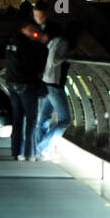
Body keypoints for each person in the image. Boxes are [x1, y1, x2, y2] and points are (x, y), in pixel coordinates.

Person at [4, 20, 47, 160]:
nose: (33, 32)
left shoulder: (11, 42)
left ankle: (16, 151)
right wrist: (40, 42)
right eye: (31, 29)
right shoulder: (28, 45)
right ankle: (30, 152)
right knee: (31, 118)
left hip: (11, 84)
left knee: (17, 119)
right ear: (24, 29)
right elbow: (36, 64)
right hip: (26, 84)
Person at [34, 20, 73, 159]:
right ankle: (43, 146)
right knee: (65, 119)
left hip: (46, 82)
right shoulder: (63, 43)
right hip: (54, 84)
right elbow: (56, 60)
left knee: (44, 118)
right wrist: (68, 57)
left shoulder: (52, 42)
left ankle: (40, 148)